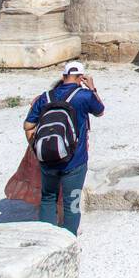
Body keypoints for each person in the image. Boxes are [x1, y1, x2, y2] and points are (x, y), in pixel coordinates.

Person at [23, 61, 104, 235]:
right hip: (74, 161)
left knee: (47, 198)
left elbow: (28, 126)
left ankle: (47, 242)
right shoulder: (84, 96)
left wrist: (36, 150)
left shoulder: (45, 97)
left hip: (47, 160)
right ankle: (69, 243)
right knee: (71, 203)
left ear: (63, 76)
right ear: (81, 78)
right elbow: (100, 111)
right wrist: (92, 89)